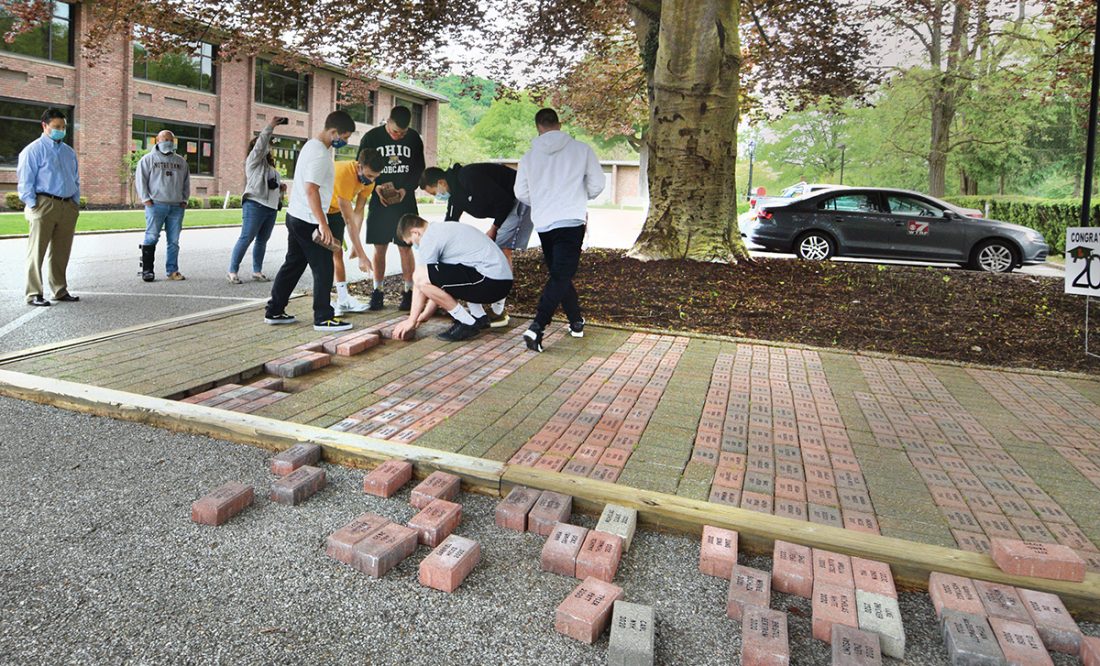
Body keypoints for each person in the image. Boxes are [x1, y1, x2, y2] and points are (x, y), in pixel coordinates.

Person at [515, 108, 605, 352]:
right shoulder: (581, 150)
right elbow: (597, 184)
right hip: (571, 220)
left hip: (544, 222)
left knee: (560, 273)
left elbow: (521, 193)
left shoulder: (528, 157)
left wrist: (543, 201)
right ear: (559, 123)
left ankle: (576, 321)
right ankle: (537, 326)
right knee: (561, 275)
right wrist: (577, 195)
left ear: (538, 127)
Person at [264, 110, 356, 332]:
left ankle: (274, 310)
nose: (344, 141)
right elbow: (311, 190)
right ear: (333, 132)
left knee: (293, 264)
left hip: (296, 216)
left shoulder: (311, 146)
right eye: (344, 137)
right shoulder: (319, 154)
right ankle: (323, 317)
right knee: (323, 267)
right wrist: (323, 224)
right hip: (307, 220)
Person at [419, 162, 534, 327]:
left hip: (518, 200)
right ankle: (490, 308)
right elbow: (449, 225)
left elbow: (504, 201)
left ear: (441, 183)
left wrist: (494, 228)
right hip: (505, 205)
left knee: (503, 249)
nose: (437, 196)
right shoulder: (455, 196)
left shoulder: (468, 177)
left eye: (434, 192)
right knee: (491, 248)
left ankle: (498, 311)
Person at [391, 214, 513, 343]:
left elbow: (420, 282)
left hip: (491, 282)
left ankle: (467, 323)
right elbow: (440, 287)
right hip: (499, 282)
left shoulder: (429, 238)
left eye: (411, 243)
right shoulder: (442, 229)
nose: (414, 247)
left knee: (419, 275)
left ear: (415, 232)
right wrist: (423, 316)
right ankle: (479, 317)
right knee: (444, 274)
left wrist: (412, 320)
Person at [361, 105, 425, 311]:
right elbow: (361, 168)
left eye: (403, 133)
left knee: (406, 247)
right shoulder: (371, 137)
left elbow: (419, 169)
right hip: (379, 202)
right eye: (395, 132)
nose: (399, 136)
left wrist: (407, 189)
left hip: (405, 202)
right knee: (379, 246)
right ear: (388, 122)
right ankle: (377, 291)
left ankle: (408, 292)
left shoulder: (414, 138)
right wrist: (376, 187)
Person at [17, 107, 81, 307]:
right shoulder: (33, 151)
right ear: (44, 126)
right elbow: (25, 182)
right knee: (36, 252)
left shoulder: (69, 152)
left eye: (63, 127)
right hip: (43, 204)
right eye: (56, 127)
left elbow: (75, 179)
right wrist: (33, 205)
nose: (61, 130)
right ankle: (34, 293)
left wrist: (75, 203)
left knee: (62, 252)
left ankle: (59, 290)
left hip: (67, 205)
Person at [228, 116, 288, 284]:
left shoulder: (271, 168)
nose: (268, 147)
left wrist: (280, 188)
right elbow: (260, 145)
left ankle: (257, 271)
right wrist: (271, 126)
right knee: (246, 238)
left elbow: (270, 186)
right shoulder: (253, 161)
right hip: (255, 204)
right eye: (266, 144)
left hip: (270, 208)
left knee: (262, 241)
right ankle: (232, 271)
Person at [327, 147, 386, 315]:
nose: (372, 180)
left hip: (334, 211)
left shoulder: (369, 181)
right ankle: (324, 304)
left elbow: (358, 212)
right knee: (322, 258)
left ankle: (343, 300)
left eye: (376, 176)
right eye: (369, 176)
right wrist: (361, 255)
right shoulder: (344, 174)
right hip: (317, 212)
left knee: (337, 253)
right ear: (359, 166)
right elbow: (348, 220)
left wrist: (355, 244)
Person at [135, 129, 191, 282]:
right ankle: (147, 270)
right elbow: (141, 180)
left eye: (171, 140)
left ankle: (172, 271)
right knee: (152, 236)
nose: (168, 142)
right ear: (157, 141)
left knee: (173, 241)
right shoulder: (148, 160)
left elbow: (186, 182)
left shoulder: (181, 162)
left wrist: (184, 199)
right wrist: (145, 198)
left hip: (176, 206)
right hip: (156, 205)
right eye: (165, 139)